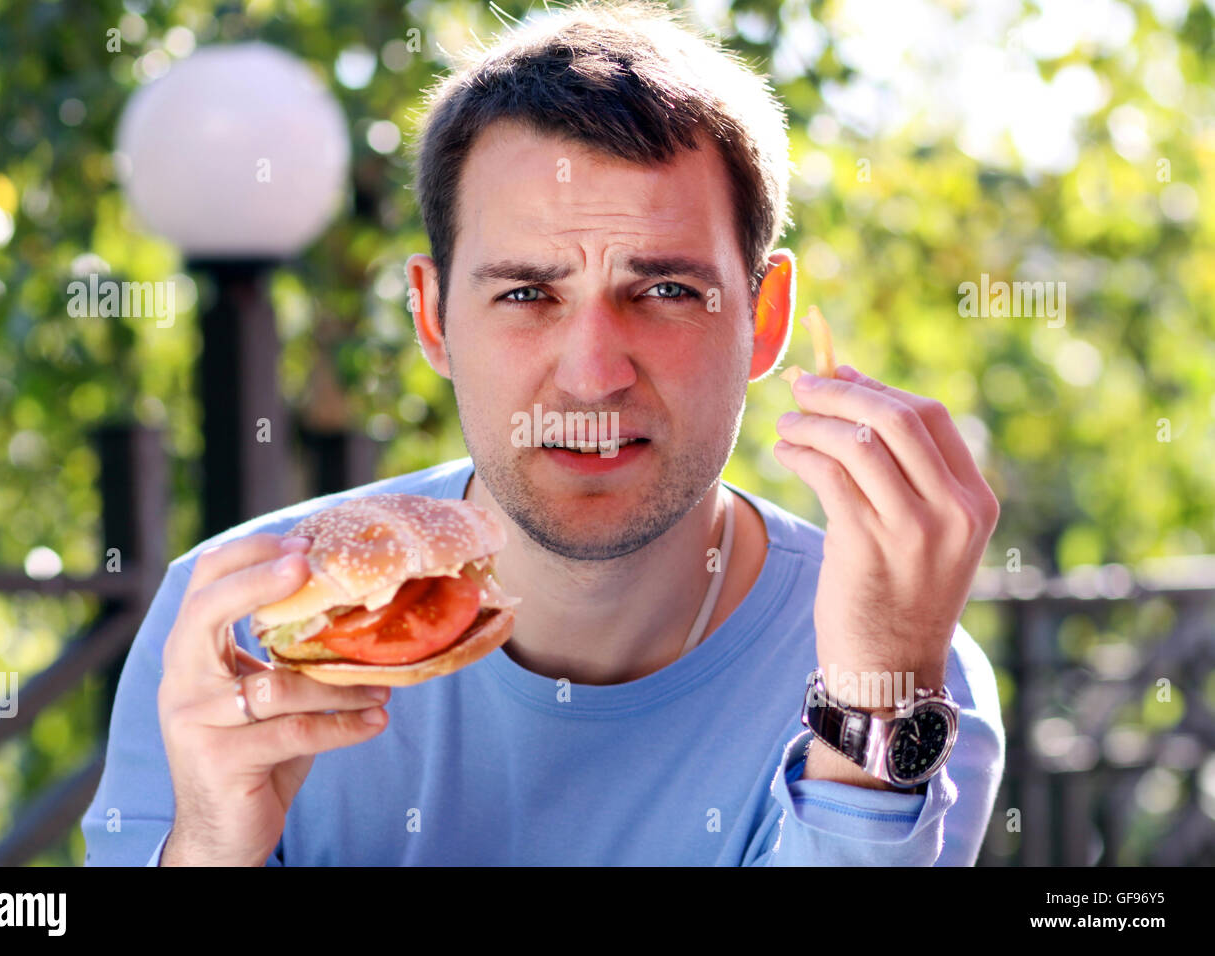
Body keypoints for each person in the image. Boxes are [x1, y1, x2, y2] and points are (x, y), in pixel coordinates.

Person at [82, 0, 1003, 866]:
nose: (593, 371)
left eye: (665, 291)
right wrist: (207, 844)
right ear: (434, 319)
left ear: (764, 322)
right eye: (527, 293)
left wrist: (874, 705)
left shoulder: (901, 663)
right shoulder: (238, 626)